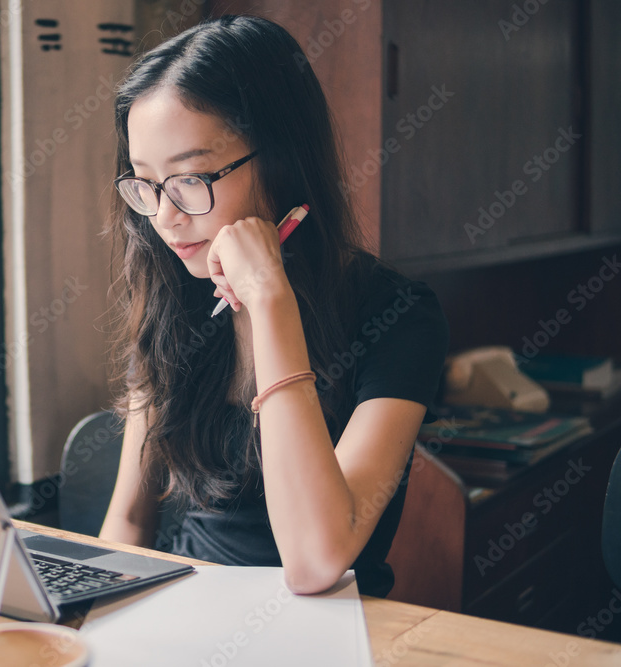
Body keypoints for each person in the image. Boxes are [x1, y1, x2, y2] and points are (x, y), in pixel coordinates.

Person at [99, 14, 449, 597]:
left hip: (325, 633)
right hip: (185, 616)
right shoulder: (174, 300)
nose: (165, 216)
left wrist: (269, 298)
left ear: (280, 159)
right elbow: (130, 522)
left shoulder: (398, 316)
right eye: (144, 183)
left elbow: (315, 562)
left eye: (189, 178)